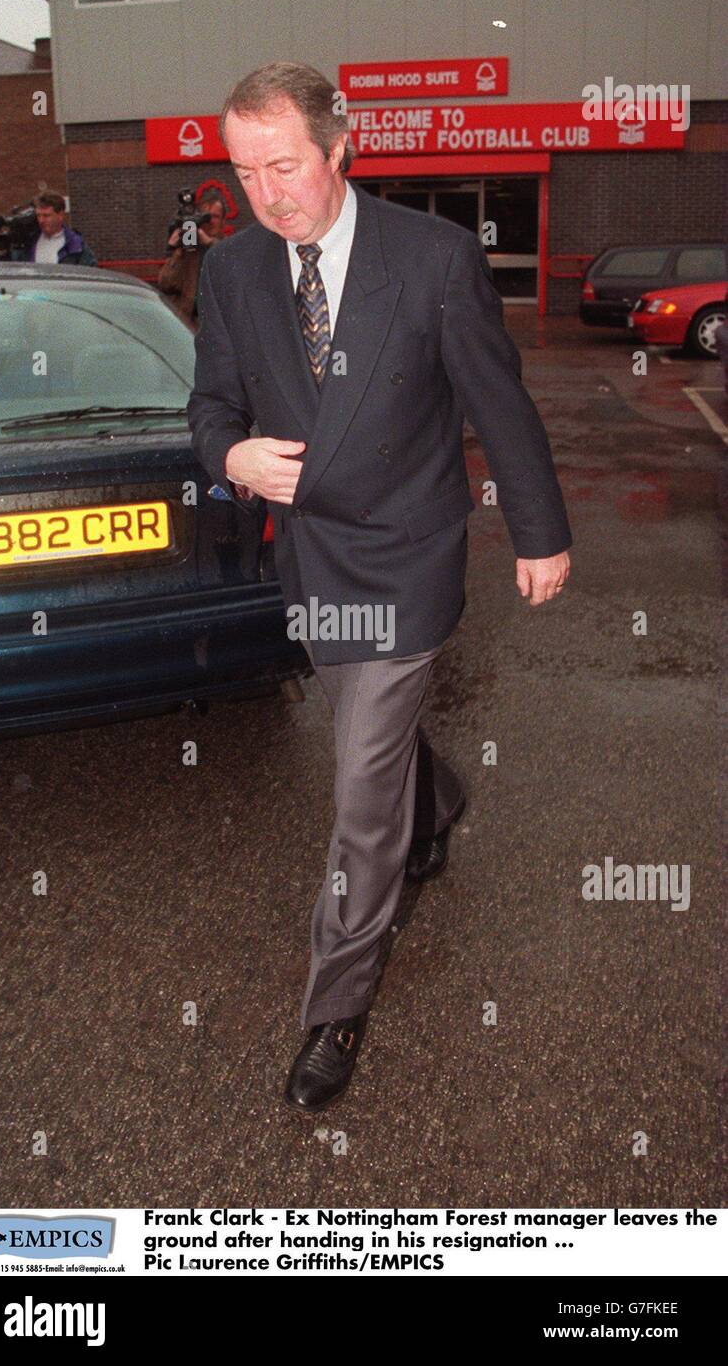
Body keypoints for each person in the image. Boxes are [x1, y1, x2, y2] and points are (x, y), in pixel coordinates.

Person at [188, 62, 572, 1115]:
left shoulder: (434, 257)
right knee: (380, 739)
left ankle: (336, 1006)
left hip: (406, 555)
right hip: (315, 561)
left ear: (338, 146)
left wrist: (539, 532)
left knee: (360, 784)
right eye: (243, 172)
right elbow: (211, 403)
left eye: (284, 166)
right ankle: (437, 802)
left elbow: (498, 402)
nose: (266, 195)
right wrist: (231, 457)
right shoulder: (232, 270)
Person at [157, 190, 227, 327]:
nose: (210, 221)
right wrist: (175, 251)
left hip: (219, 323)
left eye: (215, 217)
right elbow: (165, 284)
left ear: (223, 221)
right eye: (205, 217)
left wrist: (210, 243)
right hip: (189, 323)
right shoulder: (188, 250)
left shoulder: (230, 248)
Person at [9, 190, 97, 265]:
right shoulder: (28, 244)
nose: (41, 220)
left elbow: (90, 274)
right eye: (38, 215)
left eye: (46, 215)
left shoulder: (76, 246)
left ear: (60, 215)